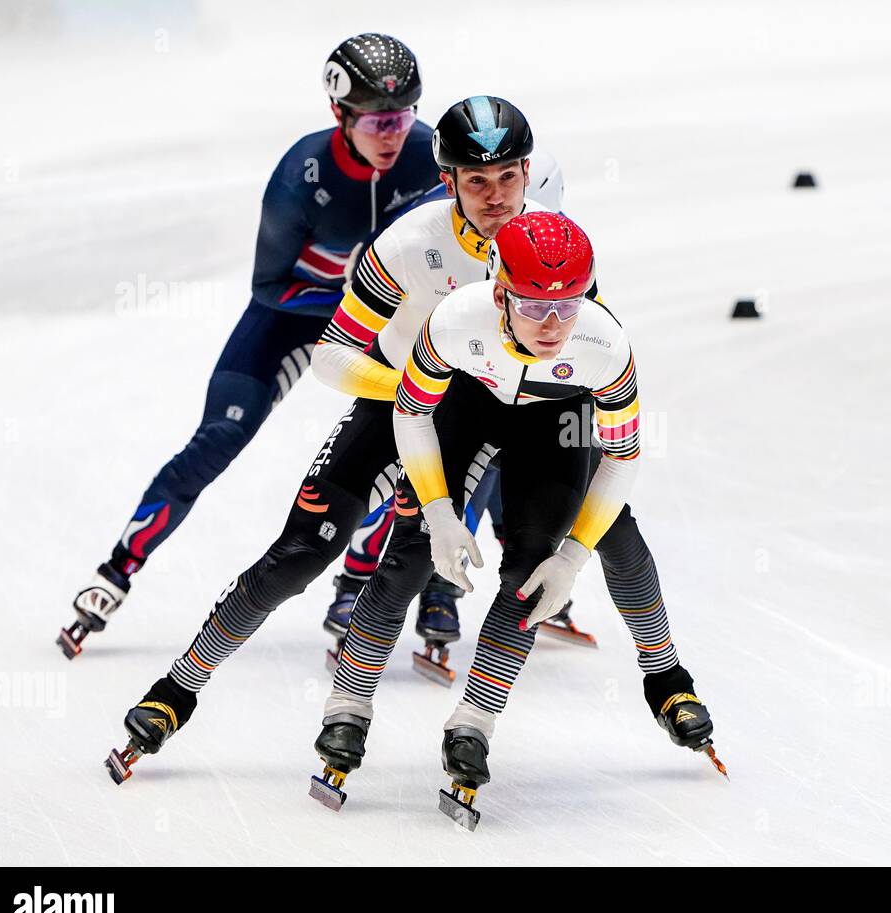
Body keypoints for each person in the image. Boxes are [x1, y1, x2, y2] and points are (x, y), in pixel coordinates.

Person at [310, 213, 725, 828]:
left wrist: (572, 557)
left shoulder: (604, 344)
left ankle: (480, 719)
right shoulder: (455, 320)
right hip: (473, 403)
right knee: (411, 554)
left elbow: (622, 458)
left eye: (569, 306)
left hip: (557, 424)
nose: (554, 325)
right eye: (535, 306)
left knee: (540, 568)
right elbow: (412, 414)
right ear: (501, 292)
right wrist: (442, 512)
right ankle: (348, 705)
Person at [60, 33, 440, 659]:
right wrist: (355, 293)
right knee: (219, 438)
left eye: (402, 117)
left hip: (384, 320)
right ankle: (117, 570)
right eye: (377, 120)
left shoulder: (428, 153)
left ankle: (368, 580)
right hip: (298, 314)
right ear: (339, 114)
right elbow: (268, 286)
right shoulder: (301, 177)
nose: (392, 133)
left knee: (424, 420)